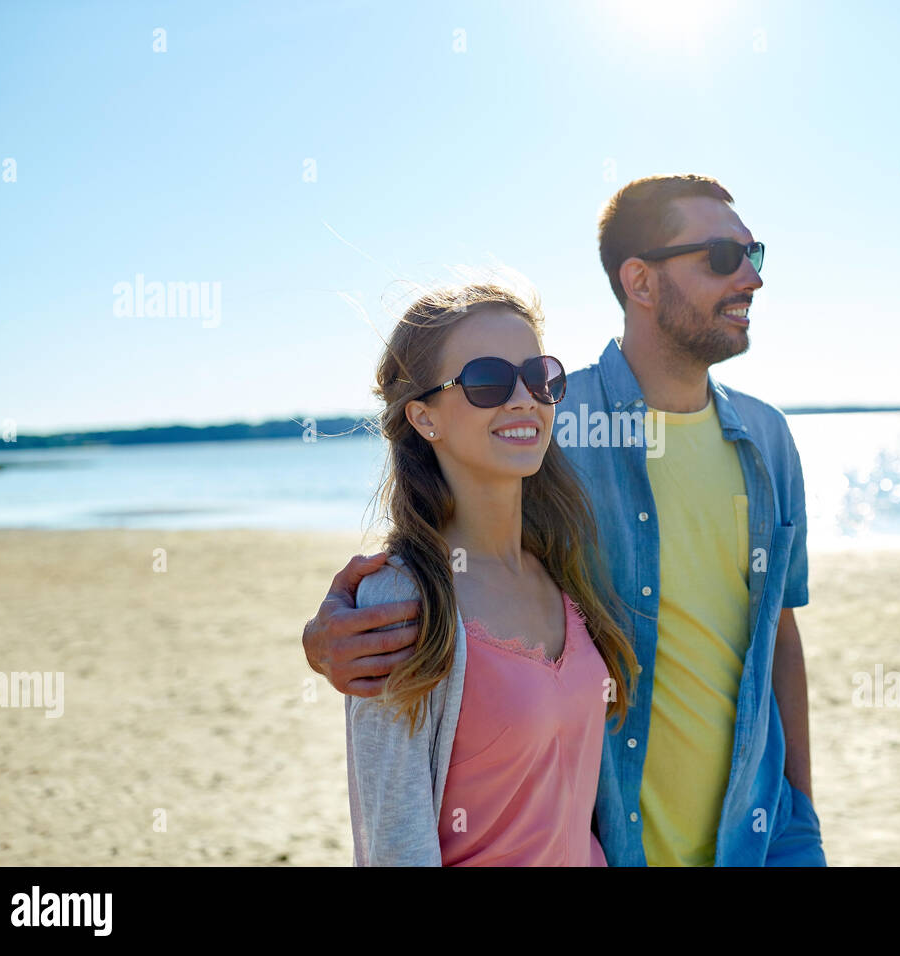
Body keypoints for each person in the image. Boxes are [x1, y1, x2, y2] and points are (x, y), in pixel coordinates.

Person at [306, 173, 825, 866]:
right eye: (721, 259)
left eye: (752, 256)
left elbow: (778, 635)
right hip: (620, 842)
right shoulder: (553, 427)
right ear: (639, 281)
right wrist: (330, 639)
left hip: (758, 840)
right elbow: (447, 565)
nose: (751, 281)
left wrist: (802, 816)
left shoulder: (769, 442)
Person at [344, 280, 638, 865]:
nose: (525, 398)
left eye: (540, 376)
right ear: (425, 418)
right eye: (487, 381)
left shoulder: (566, 569)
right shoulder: (403, 598)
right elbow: (394, 839)